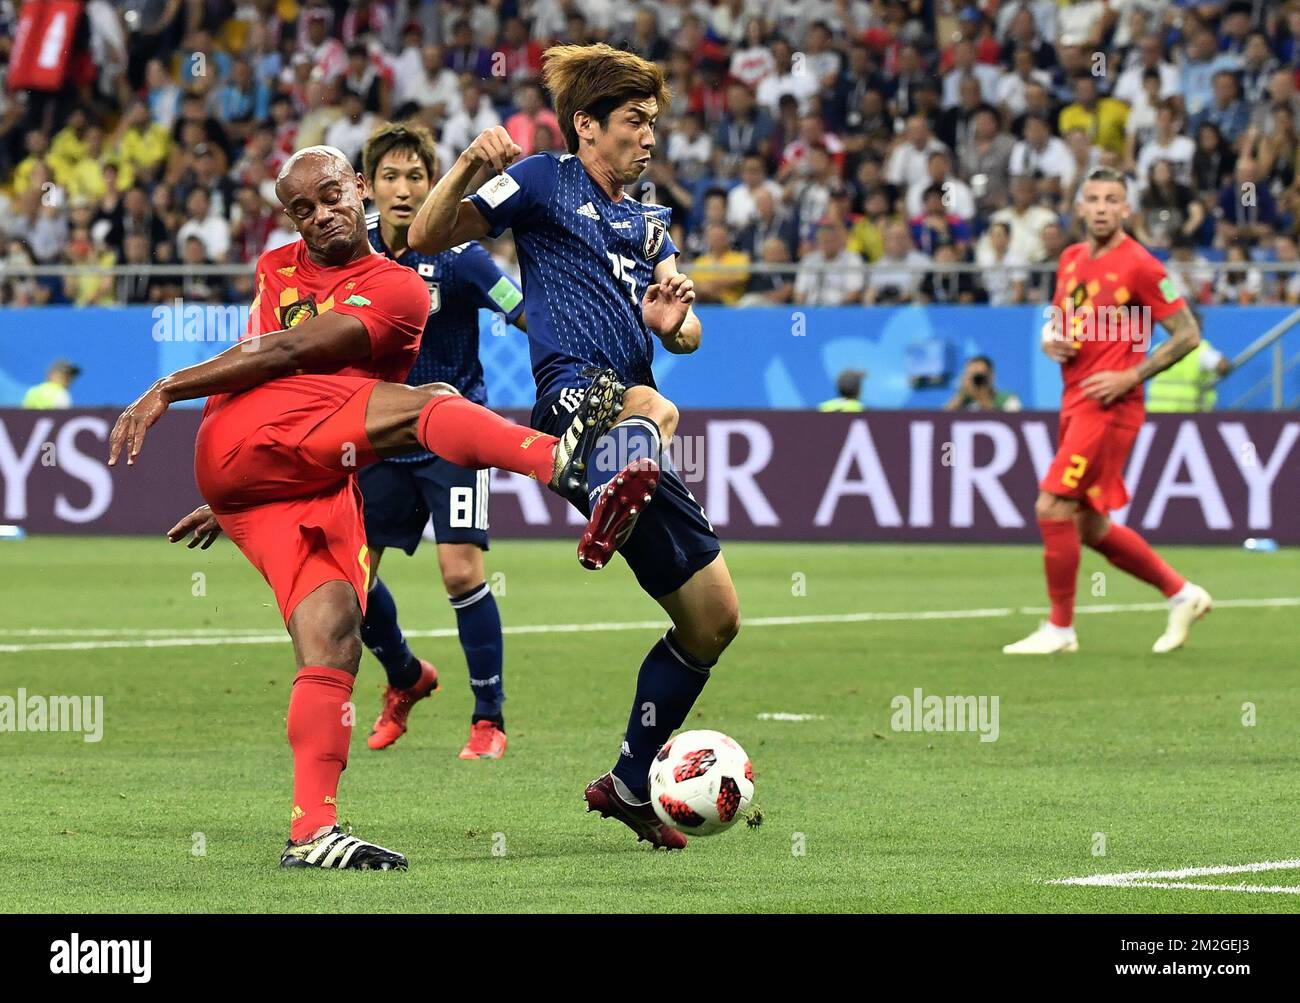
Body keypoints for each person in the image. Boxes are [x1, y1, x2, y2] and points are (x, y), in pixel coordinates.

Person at [107, 145, 634, 870]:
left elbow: (296, 350)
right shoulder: (275, 268)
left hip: (313, 468)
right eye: (302, 208)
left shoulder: (400, 289)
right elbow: (270, 365)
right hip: (266, 449)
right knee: (435, 404)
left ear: (356, 189)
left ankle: (311, 832)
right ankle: (563, 463)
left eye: (330, 195)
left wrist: (231, 480)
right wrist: (200, 427)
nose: (321, 216)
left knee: (333, 634)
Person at [408, 44, 740, 851]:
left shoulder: (646, 216)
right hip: (570, 399)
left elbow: (688, 328)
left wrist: (674, 325)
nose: (650, 137)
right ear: (587, 126)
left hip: (628, 418)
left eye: (655, 123)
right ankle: (606, 494)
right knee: (654, 409)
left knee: (714, 622)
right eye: (635, 122)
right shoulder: (541, 181)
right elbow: (425, 233)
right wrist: (462, 165)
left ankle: (628, 782)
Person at [356, 123, 527, 759]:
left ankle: (489, 719)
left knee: (460, 572)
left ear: (435, 183)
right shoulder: (353, 255)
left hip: (451, 436)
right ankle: (405, 676)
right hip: (374, 436)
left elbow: (522, 309)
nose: (404, 191)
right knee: (351, 577)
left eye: (417, 178)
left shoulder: (459, 256)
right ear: (367, 187)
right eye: (391, 178)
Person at [1003, 168, 1212, 657]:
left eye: (1111, 199)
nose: (1100, 207)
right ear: (1079, 208)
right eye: (1092, 198)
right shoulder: (1071, 259)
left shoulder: (1141, 266)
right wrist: (1049, 339)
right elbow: (1060, 319)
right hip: (1074, 399)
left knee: (1052, 506)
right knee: (1089, 525)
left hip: (1110, 406)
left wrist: (1130, 376)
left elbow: (1187, 334)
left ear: (1126, 210)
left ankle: (1060, 629)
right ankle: (1183, 594)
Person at [1146, 333, 1232, 412]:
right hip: (1187, 413)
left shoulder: (1158, 349)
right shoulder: (1201, 350)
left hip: (1156, 412)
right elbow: (1223, 366)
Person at [944, 356, 1021, 412]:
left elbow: (1013, 426)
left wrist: (984, 399)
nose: (976, 380)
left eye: (979, 376)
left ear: (991, 376)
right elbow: (940, 423)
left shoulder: (1008, 400)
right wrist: (961, 395)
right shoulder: (961, 401)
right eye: (971, 375)